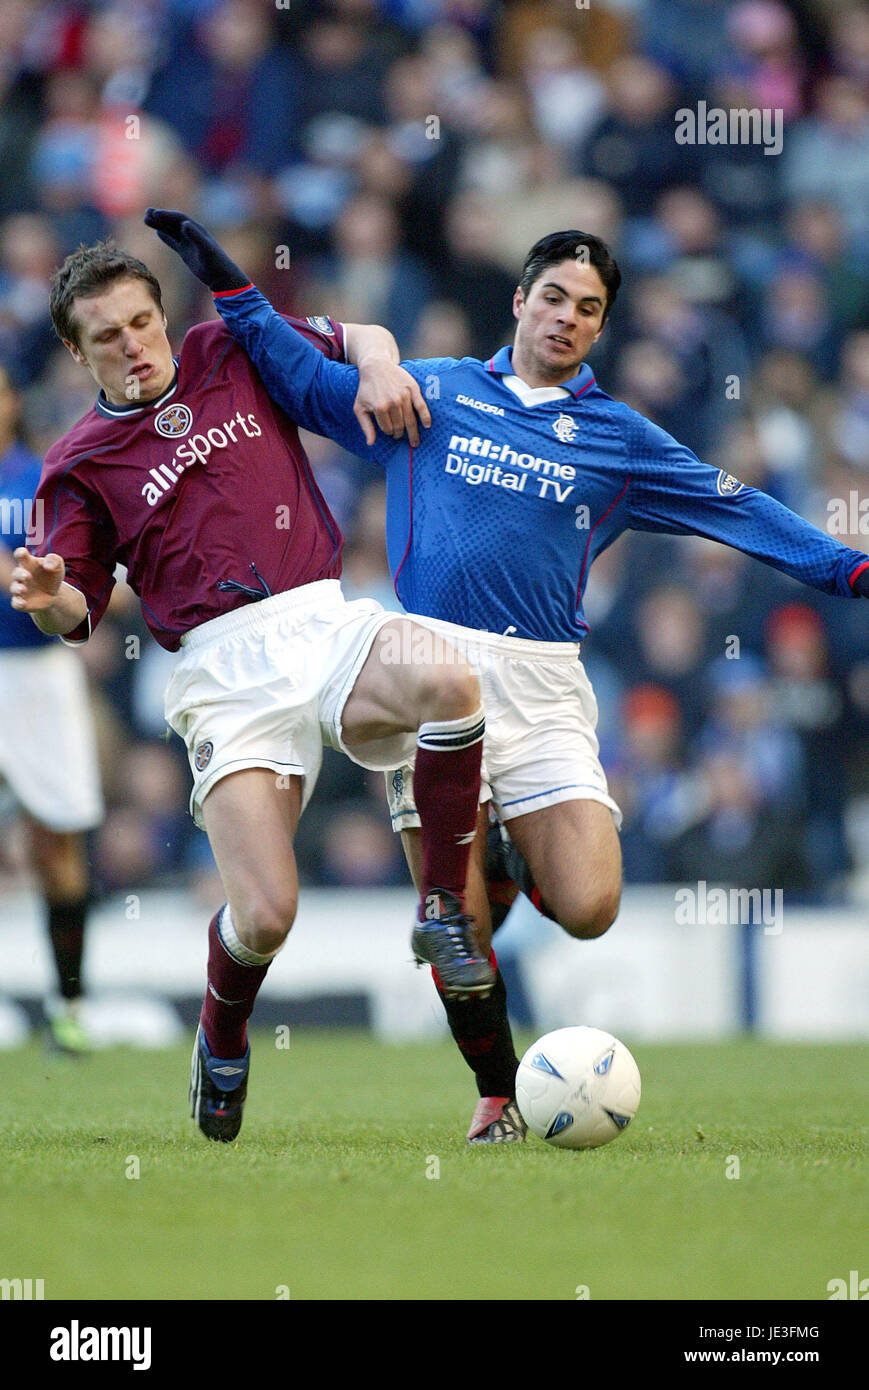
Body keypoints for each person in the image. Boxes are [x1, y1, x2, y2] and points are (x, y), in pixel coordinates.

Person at [149, 212, 869, 1143]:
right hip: (428, 672)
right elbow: (302, 381)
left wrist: (849, 571)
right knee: (456, 930)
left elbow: (736, 507)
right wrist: (233, 288)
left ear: (601, 329)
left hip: (541, 684)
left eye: (589, 309)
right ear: (522, 300)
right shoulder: (432, 392)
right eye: (555, 298)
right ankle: (498, 1094)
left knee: (589, 906)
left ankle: (494, 859)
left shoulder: (618, 437)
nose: (567, 318)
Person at [8, 236, 493, 1143]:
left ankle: (439, 910)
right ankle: (222, 1034)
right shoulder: (76, 463)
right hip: (220, 674)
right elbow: (75, 609)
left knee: (448, 680)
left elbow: (363, 336)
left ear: (164, 315)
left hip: (320, 618)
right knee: (266, 914)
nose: (133, 344)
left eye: (143, 321)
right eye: (107, 335)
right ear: (78, 354)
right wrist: (47, 598)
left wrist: (383, 369)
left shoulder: (225, 348)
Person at [0, 365, 104, 1053]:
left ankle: (69, 1005)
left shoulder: (32, 480)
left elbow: (63, 574)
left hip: (33, 673)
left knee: (55, 838)